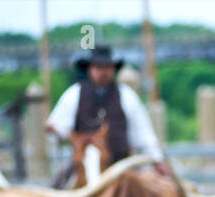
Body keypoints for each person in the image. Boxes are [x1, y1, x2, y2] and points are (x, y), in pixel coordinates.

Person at [45, 46, 165, 177]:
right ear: (89, 69)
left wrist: (156, 159)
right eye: (98, 67)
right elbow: (60, 129)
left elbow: (143, 134)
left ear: (113, 69)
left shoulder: (127, 95)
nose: (103, 72)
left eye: (107, 67)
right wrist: (55, 130)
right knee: (55, 191)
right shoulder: (74, 94)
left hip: (121, 170)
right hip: (83, 169)